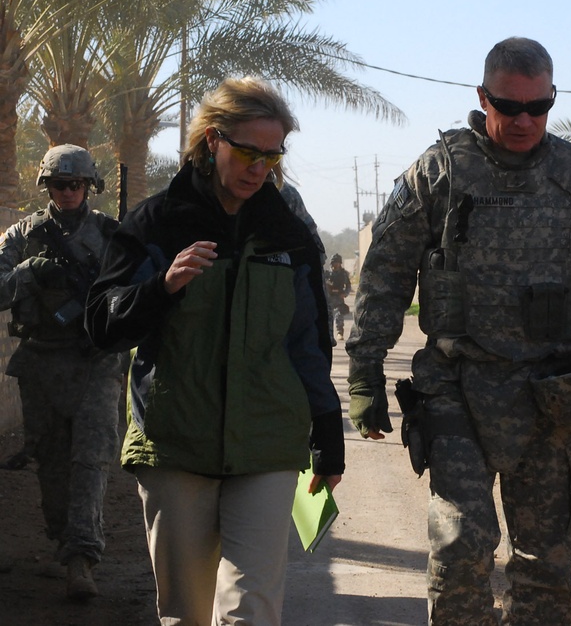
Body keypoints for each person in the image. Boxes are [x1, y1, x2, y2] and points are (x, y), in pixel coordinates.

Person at [345, 37, 571, 625]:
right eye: (509, 106)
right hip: (458, 386)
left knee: (545, 562)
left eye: (537, 108)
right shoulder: (439, 171)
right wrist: (364, 369)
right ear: (482, 97)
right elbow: (385, 272)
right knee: (462, 545)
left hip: (547, 395)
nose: (523, 120)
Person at [84, 77, 344, 625]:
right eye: (248, 152)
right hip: (176, 444)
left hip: (268, 447)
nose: (260, 168)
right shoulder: (154, 224)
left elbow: (307, 345)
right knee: (187, 614)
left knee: (252, 608)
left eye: (272, 156)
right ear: (211, 142)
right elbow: (102, 327)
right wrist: (161, 288)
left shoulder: (288, 235)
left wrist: (328, 433)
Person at [0, 144, 122, 599]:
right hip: (41, 363)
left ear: (90, 186)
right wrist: (29, 273)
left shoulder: (111, 234)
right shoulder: (22, 234)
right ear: (45, 185)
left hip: (94, 364)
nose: (68, 192)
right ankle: (63, 542)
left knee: (90, 460)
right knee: (50, 463)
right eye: (58, 184)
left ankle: (81, 557)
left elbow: (135, 294)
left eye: (76, 184)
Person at [326, 253, 351, 340]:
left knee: (339, 315)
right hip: (329, 298)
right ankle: (329, 335)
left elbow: (348, 286)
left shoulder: (344, 274)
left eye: (336, 262)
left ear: (340, 263)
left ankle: (340, 332)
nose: (334, 265)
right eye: (333, 263)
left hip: (339, 298)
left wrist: (345, 293)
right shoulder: (327, 274)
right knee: (328, 317)